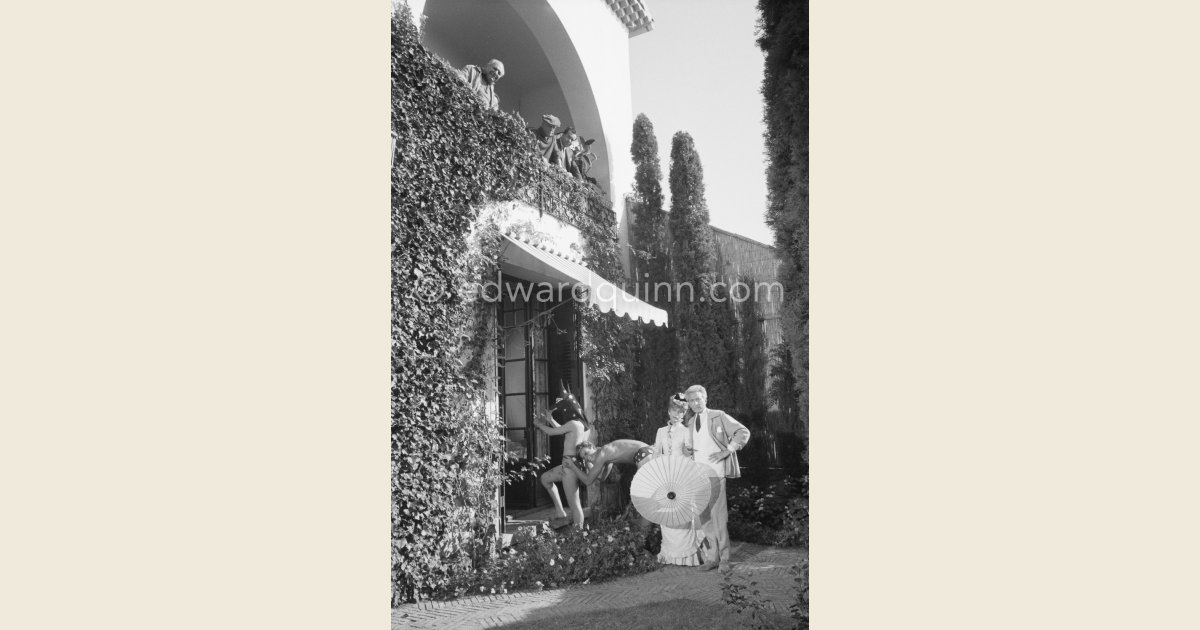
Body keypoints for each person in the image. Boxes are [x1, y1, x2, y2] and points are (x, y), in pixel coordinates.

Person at [682, 384, 750, 573]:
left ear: (705, 399)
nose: (695, 403)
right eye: (691, 400)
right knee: (704, 518)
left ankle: (725, 560)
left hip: (716, 473)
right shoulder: (689, 422)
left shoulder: (718, 416)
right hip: (698, 476)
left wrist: (728, 450)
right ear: (688, 403)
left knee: (719, 518)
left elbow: (742, 432)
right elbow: (692, 447)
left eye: (698, 399)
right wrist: (686, 450)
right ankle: (713, 558)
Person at [650, 394, 704, 566]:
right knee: (667, 516)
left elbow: (690, 454)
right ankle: (669, 554)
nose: (677, 414)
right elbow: (657, 452)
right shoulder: (660, 431)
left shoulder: (687, 431)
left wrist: (688, 454)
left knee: (682, 515)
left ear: (684, 414)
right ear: (669, 411)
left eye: (681, 412)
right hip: (665, 478)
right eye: (674, 410)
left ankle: (688, 557)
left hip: (682, 477)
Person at [534, 386, 593, 528]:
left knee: (574, 504)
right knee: (545, 479)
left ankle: (578, 536)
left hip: (570, 467)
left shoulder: (574, 424)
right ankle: (560, 511)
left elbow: (552, 432)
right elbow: (563, 431)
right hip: (569, 464)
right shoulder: (581, 425)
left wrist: (539, 424)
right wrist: (551, 419)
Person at [563, 438, 652, 486]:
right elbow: (602, 478)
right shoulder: (607, 455)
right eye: (584, 458)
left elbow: (587, 481)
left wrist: (572, 466)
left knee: (644, 494)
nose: (587, 458)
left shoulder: (602, 454)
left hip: (642, 453)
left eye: (586, 453)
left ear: (592, 447)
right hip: (648, 452)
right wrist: (589, 466)